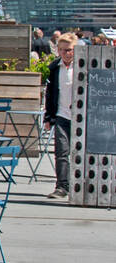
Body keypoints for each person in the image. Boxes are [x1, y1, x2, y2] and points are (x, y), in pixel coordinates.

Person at [43, 33, 78, 199]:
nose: (67, 53)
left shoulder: (82, 66)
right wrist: (48, 117)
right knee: (61, 152)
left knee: (79, 153)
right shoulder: (55, 67)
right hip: (62, 115)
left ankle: (78, 185)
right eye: (63, 50)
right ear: (58, 50)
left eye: (70, 50)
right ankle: (62, 186)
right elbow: (50, 94)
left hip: (80, 117)